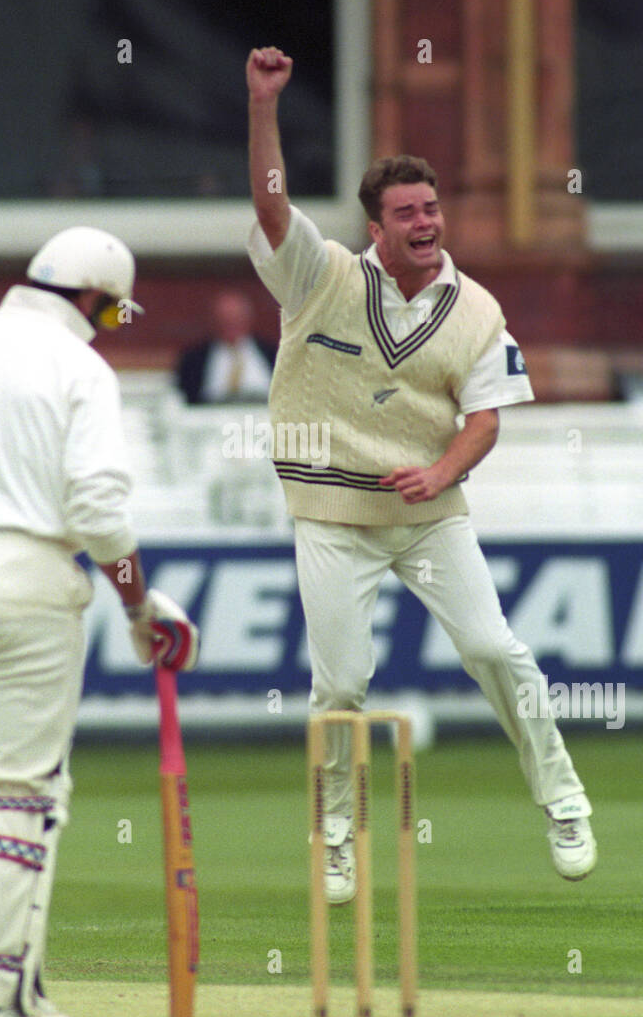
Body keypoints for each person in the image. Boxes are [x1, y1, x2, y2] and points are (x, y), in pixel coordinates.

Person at [245, 46, 597, 903]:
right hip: (331, 510)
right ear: (376, 228)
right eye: (406, 212)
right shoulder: (320, 277)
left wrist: (440, 473)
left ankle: (564, 803)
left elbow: (484, 420)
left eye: (432, 207)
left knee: (491, 648)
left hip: (429, 515)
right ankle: (334, 837)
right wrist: (263, 106)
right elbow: (271, 202)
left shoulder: (476, 310)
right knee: (341, 684)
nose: (425, 222)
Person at [0, 226, 199, 1017]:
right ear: (92, 297)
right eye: (114, 313)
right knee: (22, 792)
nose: (110, 326)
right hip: (25, 581)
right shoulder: (79, 366)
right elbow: (96, 508)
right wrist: (135, 608)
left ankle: (15, 976)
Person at [176, 289, 276, 404]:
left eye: (236, 318)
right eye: (225, 318)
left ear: (248, 318)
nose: (231, 323)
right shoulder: (193, 359)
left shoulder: (273, 353)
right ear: (214, 320)